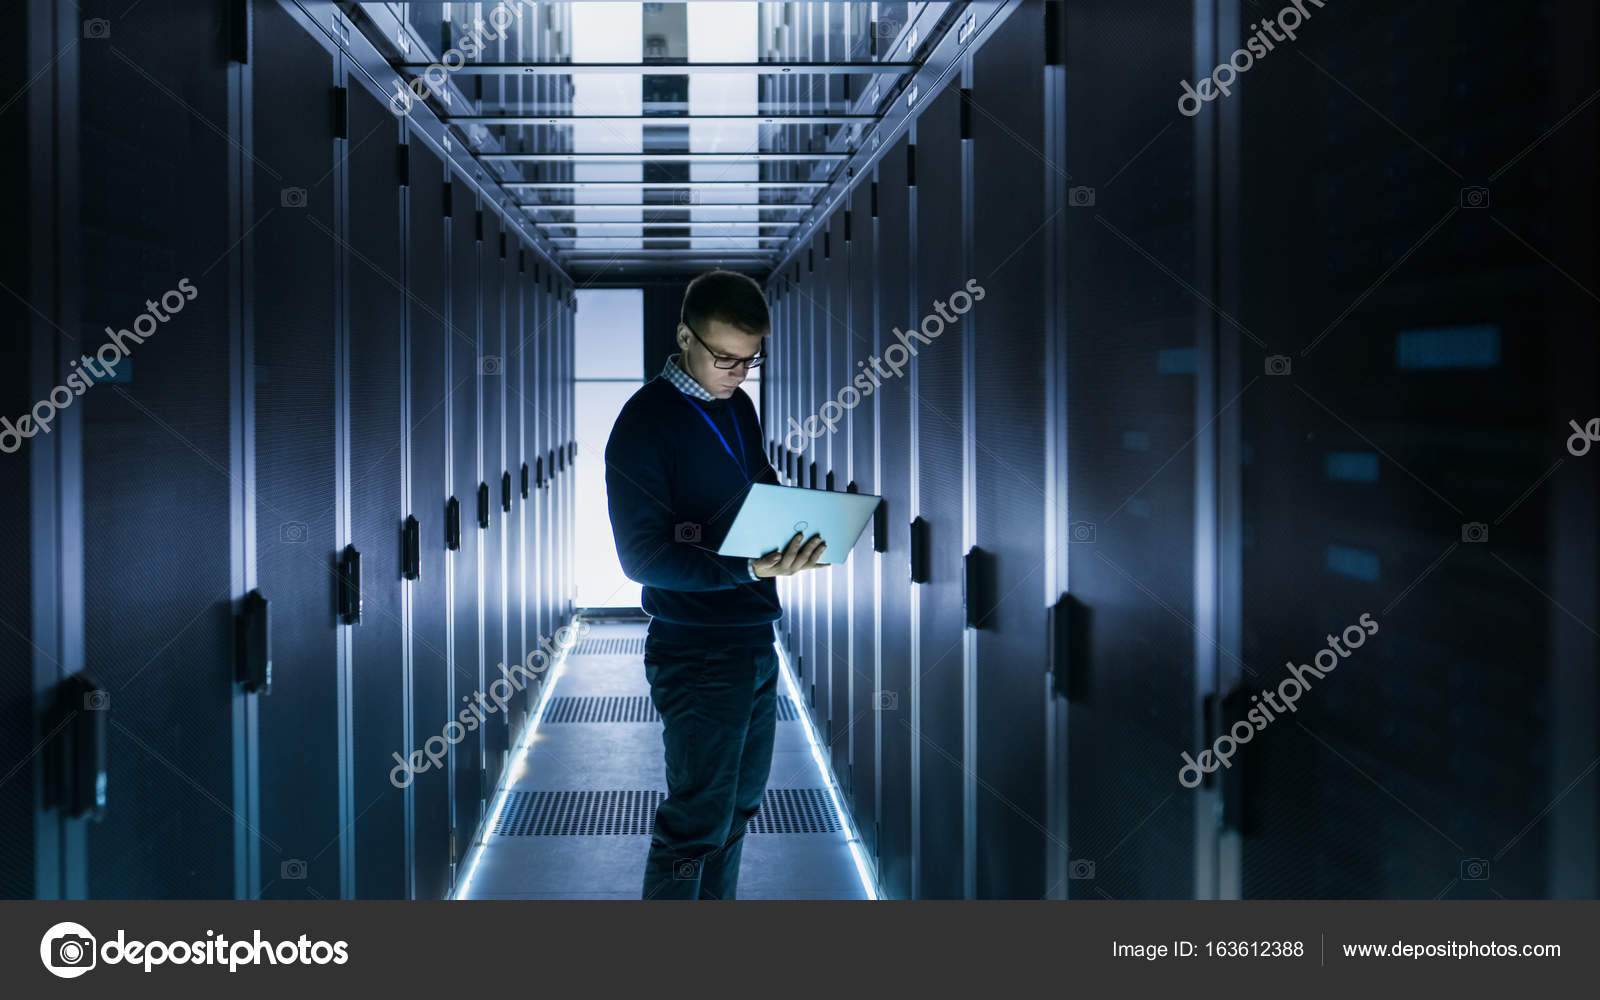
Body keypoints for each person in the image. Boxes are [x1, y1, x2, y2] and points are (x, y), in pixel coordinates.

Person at [604, 269, 827, 900]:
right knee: (696, 822)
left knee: (737, 814)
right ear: (685, 337)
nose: (738, 373)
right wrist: (748, 567)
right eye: (725, 358)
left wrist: (806, 525)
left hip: (754, 637)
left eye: (750, 360)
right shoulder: (645, 424)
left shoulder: (738, 406)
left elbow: (758, 487)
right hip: (696, 649)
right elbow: (643, 557)